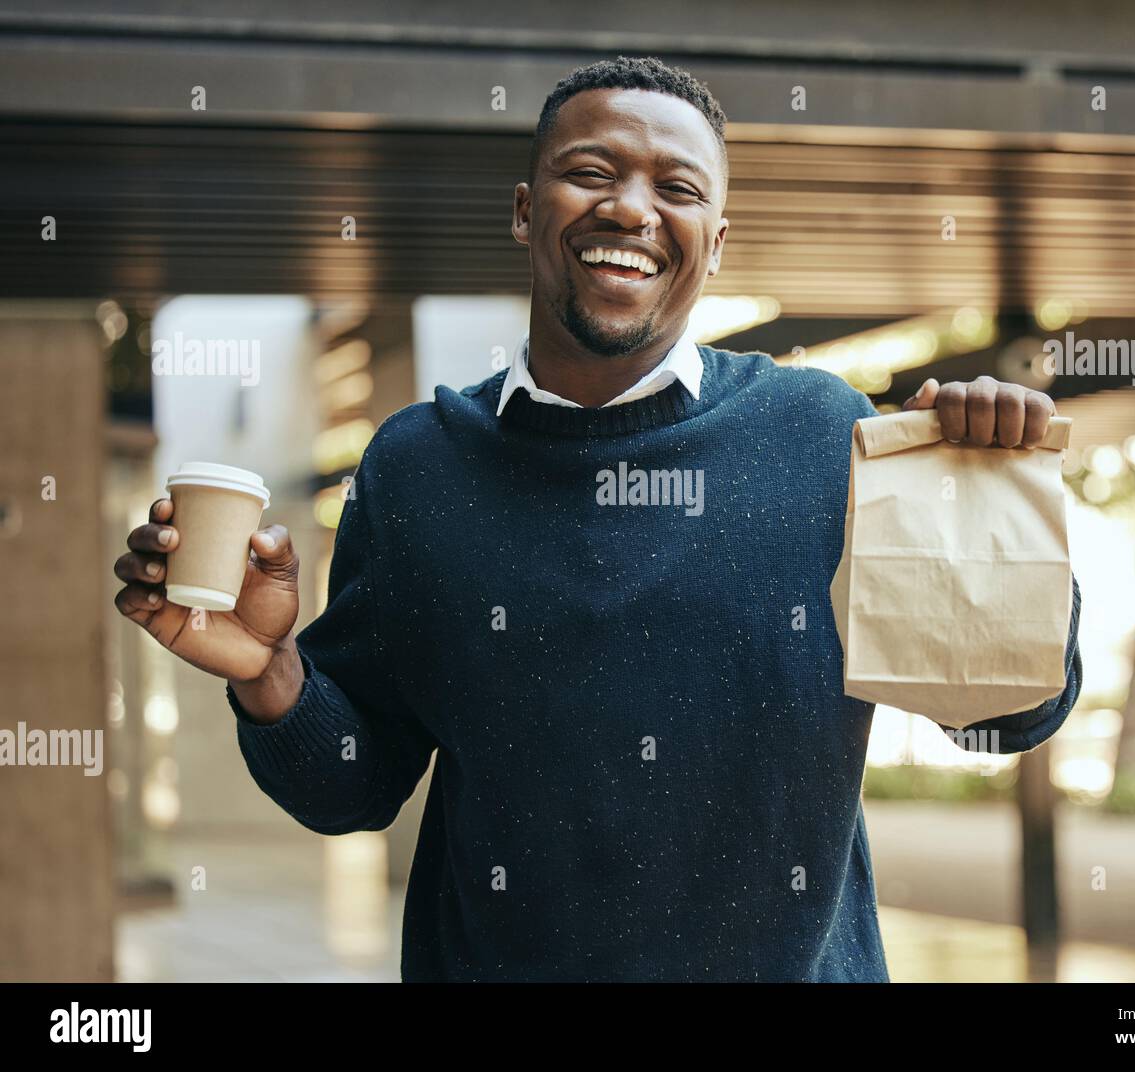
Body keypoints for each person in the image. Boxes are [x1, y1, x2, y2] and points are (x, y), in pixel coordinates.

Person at [114, 55, 1082, 982]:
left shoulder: (825, 436)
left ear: (717, 237)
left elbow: (1012, 713)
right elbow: (351, 788)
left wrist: (988, 496)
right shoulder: (418, 465)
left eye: (679, 186)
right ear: (527, 210)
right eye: (590, 172)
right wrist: (270, 671)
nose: (631, 207)